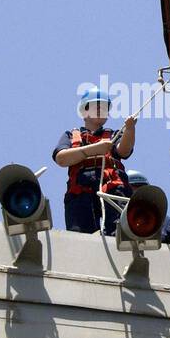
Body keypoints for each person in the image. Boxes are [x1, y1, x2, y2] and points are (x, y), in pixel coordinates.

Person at [52, 87, 136, 234]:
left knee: (120, 232)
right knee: (80, 236)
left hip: (112, 189)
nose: (100, 110)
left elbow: (124, 150)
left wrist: (129, 130)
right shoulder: (72, 135)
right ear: (84, 111)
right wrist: (93, 149)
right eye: (96, 106)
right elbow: (61, 158)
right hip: (81, 191)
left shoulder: (113, 135)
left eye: (104, 108)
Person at [126, 170, 170, 244]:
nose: (137, 195)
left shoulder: (163, 221)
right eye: (132, 190)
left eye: (141, 189)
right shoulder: (113, 219)